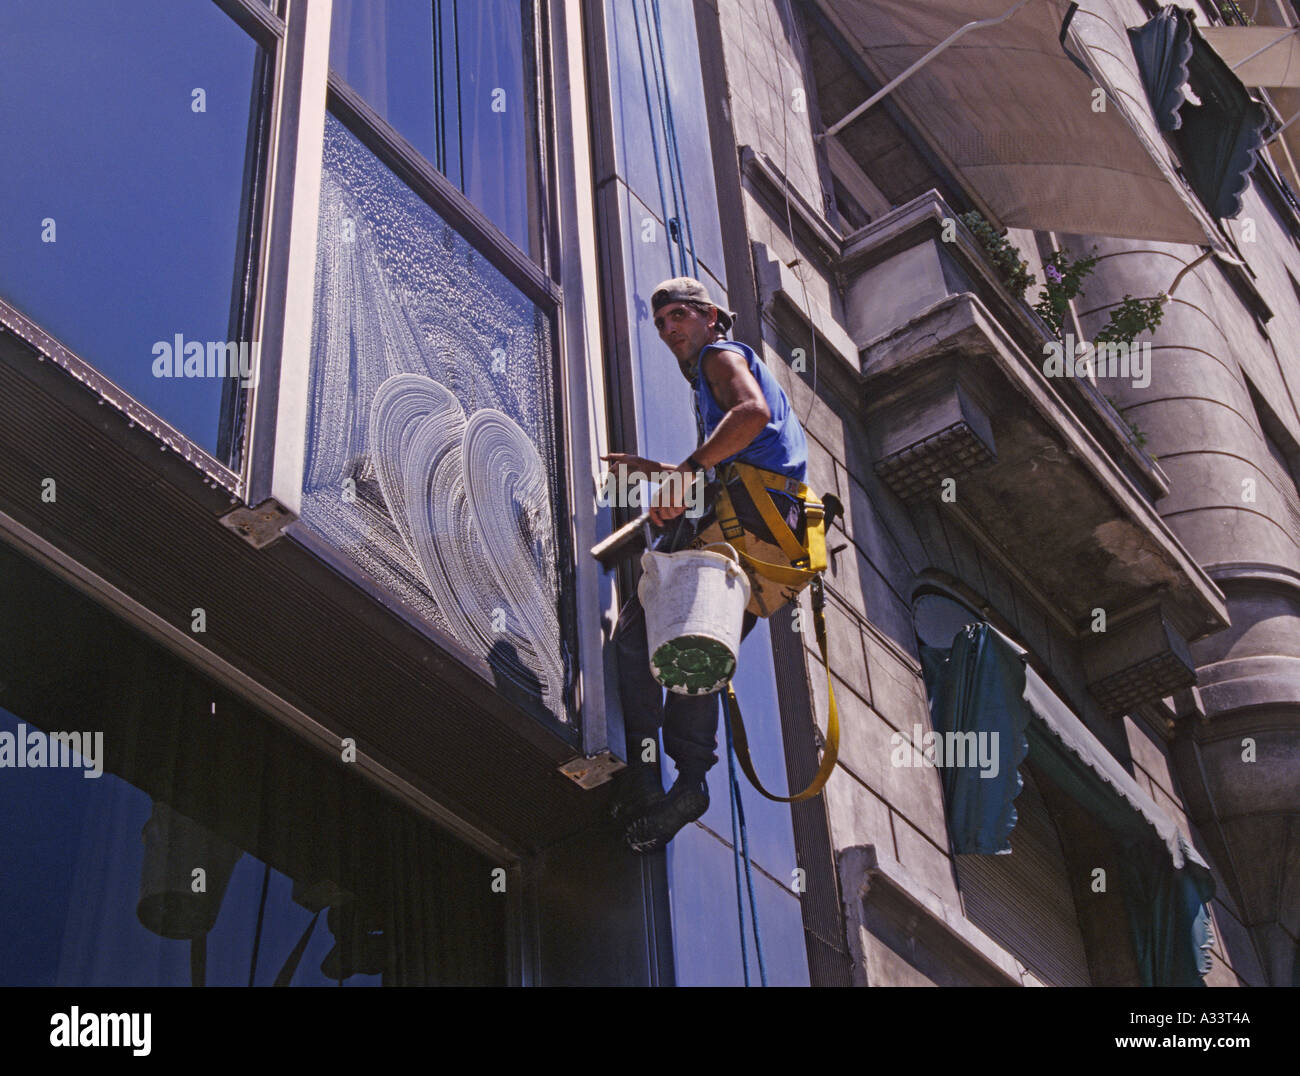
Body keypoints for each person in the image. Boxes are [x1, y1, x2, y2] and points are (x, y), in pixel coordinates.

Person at [602, 277, 809, 853]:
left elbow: (752, 413)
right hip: (769, 538)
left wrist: (687, 469)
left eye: (679, 316)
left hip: (745, 525)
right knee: (697, 646)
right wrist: (659, 469)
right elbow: (742, 452)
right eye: (662, 321)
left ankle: (645, 772)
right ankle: (690, 782)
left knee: (636, 637)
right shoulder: (710, 378)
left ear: (711, 317)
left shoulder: (722, 357)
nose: (670, 330)